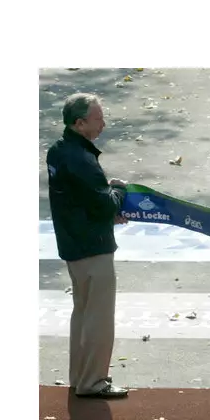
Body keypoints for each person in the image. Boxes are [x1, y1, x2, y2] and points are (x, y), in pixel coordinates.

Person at [46, 93, 130, 399]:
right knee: (98, 319)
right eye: (98, 118)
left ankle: (79, 377)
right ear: (80, 123)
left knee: (82, 314)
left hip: (73, 246)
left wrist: (103, 208)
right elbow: (103, 204)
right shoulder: (82, 159)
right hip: (93, 249)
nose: (104, 123)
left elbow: (79, 201)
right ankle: (93, 382)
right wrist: (117, 190)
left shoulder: (57, 151)